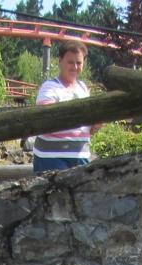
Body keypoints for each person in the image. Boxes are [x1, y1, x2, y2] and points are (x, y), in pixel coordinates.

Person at [33, 42, 96, 174]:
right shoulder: (49, 87)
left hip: (80, 156)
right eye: (70, 62)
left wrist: (96, 124)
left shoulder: (83, 88)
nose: (75, 67)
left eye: (79, 63)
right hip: (51, 158)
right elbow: (46, 120)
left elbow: (87, 129)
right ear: (60, 61)